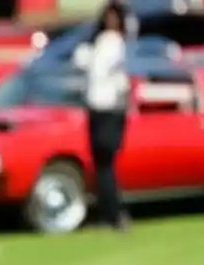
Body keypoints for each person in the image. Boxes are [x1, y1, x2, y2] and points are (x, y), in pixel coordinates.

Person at [74, 1, 131, 231]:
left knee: (106, 163)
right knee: (101, 164)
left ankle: (114, 214)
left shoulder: (115, 43)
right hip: (98, 107)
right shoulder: (100, 41)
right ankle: (107, 212)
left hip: (109, 108)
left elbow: (99, 69)